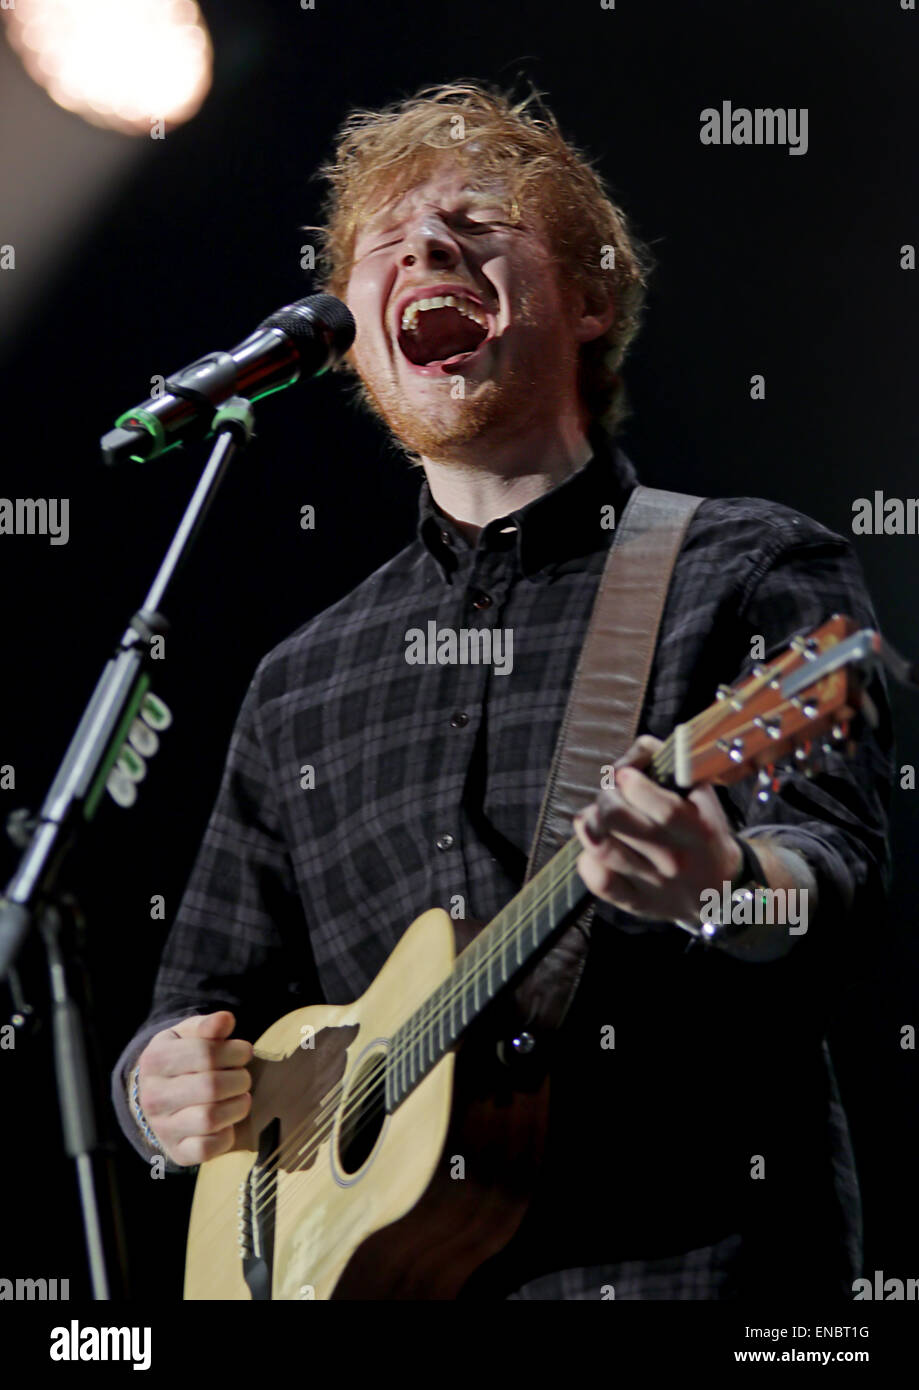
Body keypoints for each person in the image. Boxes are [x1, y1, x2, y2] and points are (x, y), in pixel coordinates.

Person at [110, 81, 893, 1300]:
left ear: (586, 300)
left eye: (478, 224)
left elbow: (837, 882)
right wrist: (159, 1088)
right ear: (355, 342)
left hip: (697, 1270)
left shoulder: (743, 565)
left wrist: (725, 887)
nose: (427, 244)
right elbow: (199, 1004)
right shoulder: (297, 682)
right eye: (388, 243)